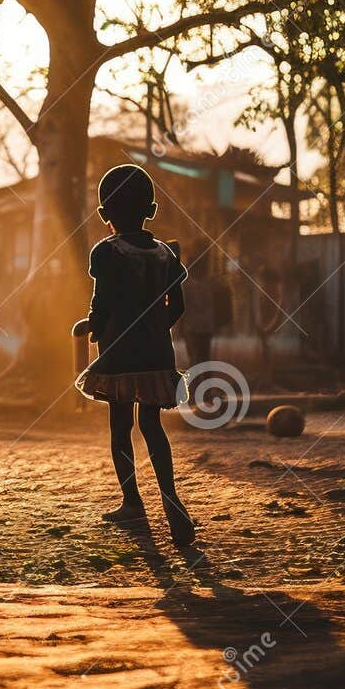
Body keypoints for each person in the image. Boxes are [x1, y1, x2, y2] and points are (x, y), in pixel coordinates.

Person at [74, 164, 196, 546]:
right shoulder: (166, 253)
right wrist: (156, 328)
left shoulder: (106, 252)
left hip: (120, 353)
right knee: (152, 427)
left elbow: (102, 302)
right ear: (152, 210)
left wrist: (93, 327)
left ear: (103, 214)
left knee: (120, 426)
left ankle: (132, 502)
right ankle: (172, 500)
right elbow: (177, 306)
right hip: (156, 352)